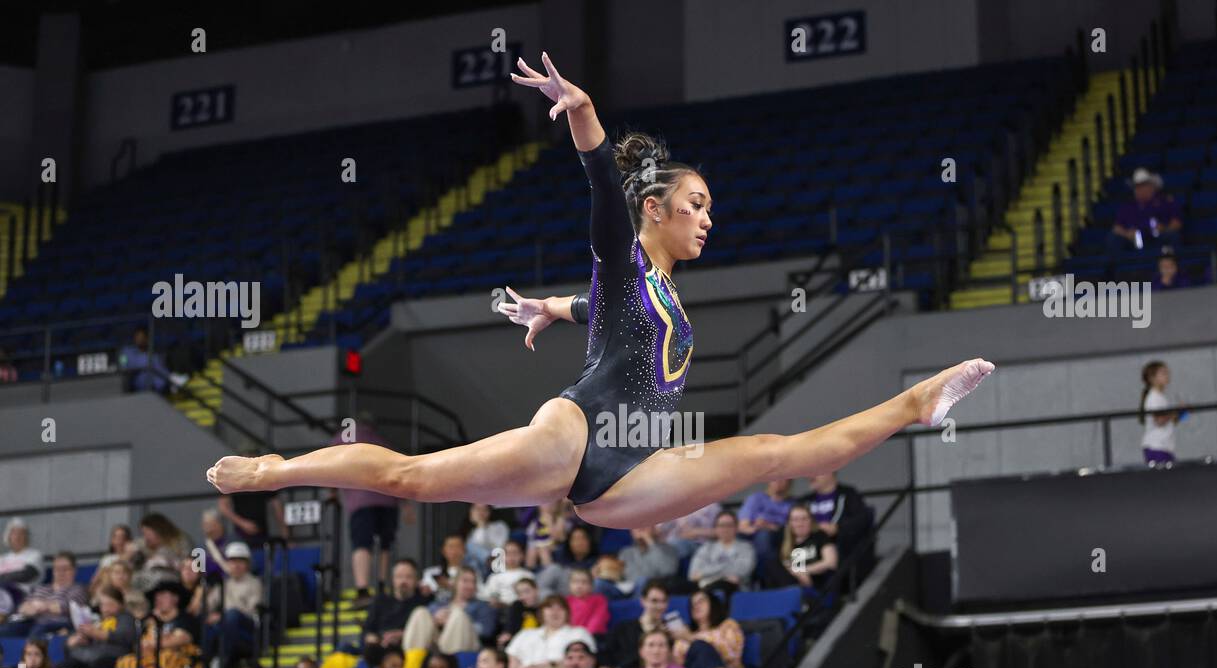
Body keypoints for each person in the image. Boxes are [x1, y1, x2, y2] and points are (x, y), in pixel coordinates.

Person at [204, 52, 993, 533]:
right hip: (574, 437)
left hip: (631, 476)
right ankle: (277, 470)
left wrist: (555, 307)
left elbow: (612, 321)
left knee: (770, 454)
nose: (707, 219)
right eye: (696, 205)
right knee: (415, 479)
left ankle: (916, 403)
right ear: (653, 209)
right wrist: (584, 121)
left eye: (710, 208)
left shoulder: (655, 296)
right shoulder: (624, 258)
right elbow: (603, 222)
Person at [330, 413, 406, 609]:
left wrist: (332, 491)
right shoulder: (382, 442)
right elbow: (399, 472)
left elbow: (326, 463)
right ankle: (382, 586)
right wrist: (405, 504)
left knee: (362, 544)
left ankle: (362, 589)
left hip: (360, 500)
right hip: (387, 499)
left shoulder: (344, 438)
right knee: (385, 544)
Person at [115, 580, 203, 668]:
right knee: (125, 661)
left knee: (167, 659)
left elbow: (182, 639)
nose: (158, 598)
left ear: (175, 598)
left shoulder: (185, 619)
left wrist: (155, 643)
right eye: (157, 595)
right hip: (149, 659)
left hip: (180, 661)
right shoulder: (148, 620)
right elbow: (138, 644)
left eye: (163, 595)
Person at [504, 594, 596, 668]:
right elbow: (512, 657)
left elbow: (585, 660)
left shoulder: (578, 633)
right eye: (550, 608)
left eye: (560, 608)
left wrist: (547, 666)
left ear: (567, 613)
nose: (555, 612)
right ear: (542, 612)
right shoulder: (526, 633)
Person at [666, 588, 744, 668]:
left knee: (700, 646)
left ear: (713, 603)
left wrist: (691, 638)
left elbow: (731, 654)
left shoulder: (727, 625)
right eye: (692, 604)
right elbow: (677, 667)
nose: (696, 606)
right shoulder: (684, 635)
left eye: (701, 601)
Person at [200, 540, 262, 668]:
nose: (236, 565)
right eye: (232, 561)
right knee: (207, 625)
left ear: (247, 564)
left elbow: (253, 610)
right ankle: (205, 664)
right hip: (226, 626)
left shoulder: (254, 583)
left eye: (240, 561)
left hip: (246, 627)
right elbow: (207, 605)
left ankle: (222, 659)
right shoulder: (223, 583)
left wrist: (222, 616)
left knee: (232, 615)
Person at [0, 551, 87, 640]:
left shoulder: (78, 589)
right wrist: (30, 609)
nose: (61, 573)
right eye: (57, 569)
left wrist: (41, 606)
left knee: (37, 632)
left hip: (57, 624)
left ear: (74, 570)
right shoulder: (41, 588)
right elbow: (23, 606)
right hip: (30, 621)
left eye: (65, 569)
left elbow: (66, 607)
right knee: (4, 630)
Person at [598, 579, 669, 668]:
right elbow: (605, 658)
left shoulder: (670, 633)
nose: (659, 606)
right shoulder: (622, 629)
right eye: (654, 601)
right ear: (643, 601)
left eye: (664, 601)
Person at [764, 504, 838, 591]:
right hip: (794, 585)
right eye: (795, 520)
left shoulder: (820, 536)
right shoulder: (786, 543)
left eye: (804, 519)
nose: (800, 523)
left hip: (817, 586)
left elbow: (831, 562)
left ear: (811, 520)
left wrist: (804, 571)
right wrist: (798, 574)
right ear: (790, 523)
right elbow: (787, 569)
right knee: (771, 563)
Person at [1108, 167, 1182, 254]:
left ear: (1152, 186)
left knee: (1171, 236)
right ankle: (1120, 265)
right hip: (1136, 241)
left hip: (1158, 238)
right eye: (1137, 186)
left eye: (1144, 185)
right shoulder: (1128, 207)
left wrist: (1165, 228)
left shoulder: (1165, 202)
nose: (1140, 190)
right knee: (1114, 239)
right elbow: (1116, 228)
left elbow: (1176, 222)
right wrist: (1127, 234)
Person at [64, 585, 138, 668]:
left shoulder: (125, 618)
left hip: (112, 659)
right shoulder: (97, 620)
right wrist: (72, 642)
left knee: (94, 665)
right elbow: (74, 639)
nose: (106, 609)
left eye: (110, 604)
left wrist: (97, 633)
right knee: (63, 667)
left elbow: (125, 637)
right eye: (103, 605)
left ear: (121, 604)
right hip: (90, 657)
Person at [427, 566, 497, 654]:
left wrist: (455, 620)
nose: (470, 586)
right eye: (465, 581)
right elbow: (427, 614)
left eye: (473, 582)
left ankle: (448, 663)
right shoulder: (441, 603)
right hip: (437, 643)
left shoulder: (483, 606)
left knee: (458, 615)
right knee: (420, 613)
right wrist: (436, 617)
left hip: (469, 646)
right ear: (455, 583)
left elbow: (486, 631)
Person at [687, 509, 755, 596]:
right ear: (715, 528)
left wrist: (706, 574)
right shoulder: (706, 548)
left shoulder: (746, 547)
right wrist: (724, 574)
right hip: (707, 591)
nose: (725, 529)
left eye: (729, 525)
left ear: (736, 527)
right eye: (721, 525)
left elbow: (744, 570)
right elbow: (693, 574)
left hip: (737, 591)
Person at [738, 479, 795, 571]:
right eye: (775, 478)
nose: (779, 481)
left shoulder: (791, 503)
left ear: (789, 482)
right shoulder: (756, 498)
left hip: (782, 536)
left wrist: (769, 526)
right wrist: (758, 527)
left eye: (783, 479)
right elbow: (743, 526)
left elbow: (793, 527)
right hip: (756, 535)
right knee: (762, 536)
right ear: (769, 480)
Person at [1139, 360, 1180, 465]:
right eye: (1163, 373)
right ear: (1152, 378)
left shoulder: (1161, 397)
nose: (1167, 375)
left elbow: (1170, 421)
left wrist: (1181, 413)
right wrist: (1174, 412)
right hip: (1157, 447)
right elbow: (1159, 420)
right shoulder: (1154, 397)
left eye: (1167, 372)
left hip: (1165, 446)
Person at [616, 526, 679, 592]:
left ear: (654, 529)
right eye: (636, 526)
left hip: (654, 589)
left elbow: (668, 571)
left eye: (645, 525)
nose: (640, 528)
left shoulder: (669, 549)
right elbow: (621, 576)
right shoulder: (625, 552)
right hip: (627, 588)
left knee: (643, 581)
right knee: (604, 584)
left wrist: (650, 542)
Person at [479, 539, 531, 606]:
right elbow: (486, 597)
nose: (511, 556)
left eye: (515, 553)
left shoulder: (528, 575)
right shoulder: (494, 577)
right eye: (508, 553)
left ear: (522, 555)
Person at [463, 503, 512, 573]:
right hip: (480, 566)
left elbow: (499, 547)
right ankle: (487, 560)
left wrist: (482, 525)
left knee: (469, 545)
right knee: (472, 560)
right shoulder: (471, 532)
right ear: (471, 512)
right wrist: (480, 526)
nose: (480, 513)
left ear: (489, 512)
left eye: (484, 510)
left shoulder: (499, 526)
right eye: (477, 509)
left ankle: (488, 559)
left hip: (497, 560)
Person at [0, 517, 44, 592]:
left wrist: (3, 577)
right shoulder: (3, 558)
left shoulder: (35, 555)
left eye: (21, 533)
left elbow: (26, 575)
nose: (18, 537)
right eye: (14, 534)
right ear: (8, 537)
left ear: (27, 537)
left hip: (23, 595)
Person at [496, 576, 541, 647]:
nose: (523, 597)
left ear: (536, 590)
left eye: (527, 591)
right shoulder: (517, 606)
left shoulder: (544, 608)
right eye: (519, 594)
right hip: (520, 645)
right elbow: (510, 629)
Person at [565, 567, 609, 635]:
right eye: (575, 582)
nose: (579, 586)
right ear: (569, 585)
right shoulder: (565, 601)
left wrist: (582, 637)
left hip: (593, 636)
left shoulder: (599, 600)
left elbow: (597, 620)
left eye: (584, 582)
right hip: (569, 637)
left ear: (591, 586)